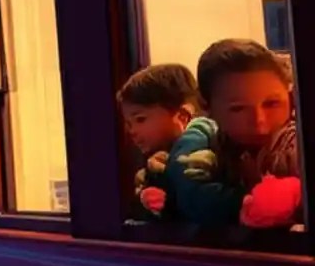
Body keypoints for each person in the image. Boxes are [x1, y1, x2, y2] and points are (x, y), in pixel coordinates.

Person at [166, 39, 301, 228]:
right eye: (238, 109)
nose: (259, 122)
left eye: (272, 104)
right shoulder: (210, 149)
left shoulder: (295, 145)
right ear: (205, 106)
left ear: (291, 96)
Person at [117, 64, 201, 220]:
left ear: (182, 116)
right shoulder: (151, 168)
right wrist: (144, 199)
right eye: (128, 124)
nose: (132, 131)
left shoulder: (204, 159)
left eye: (140, 119)